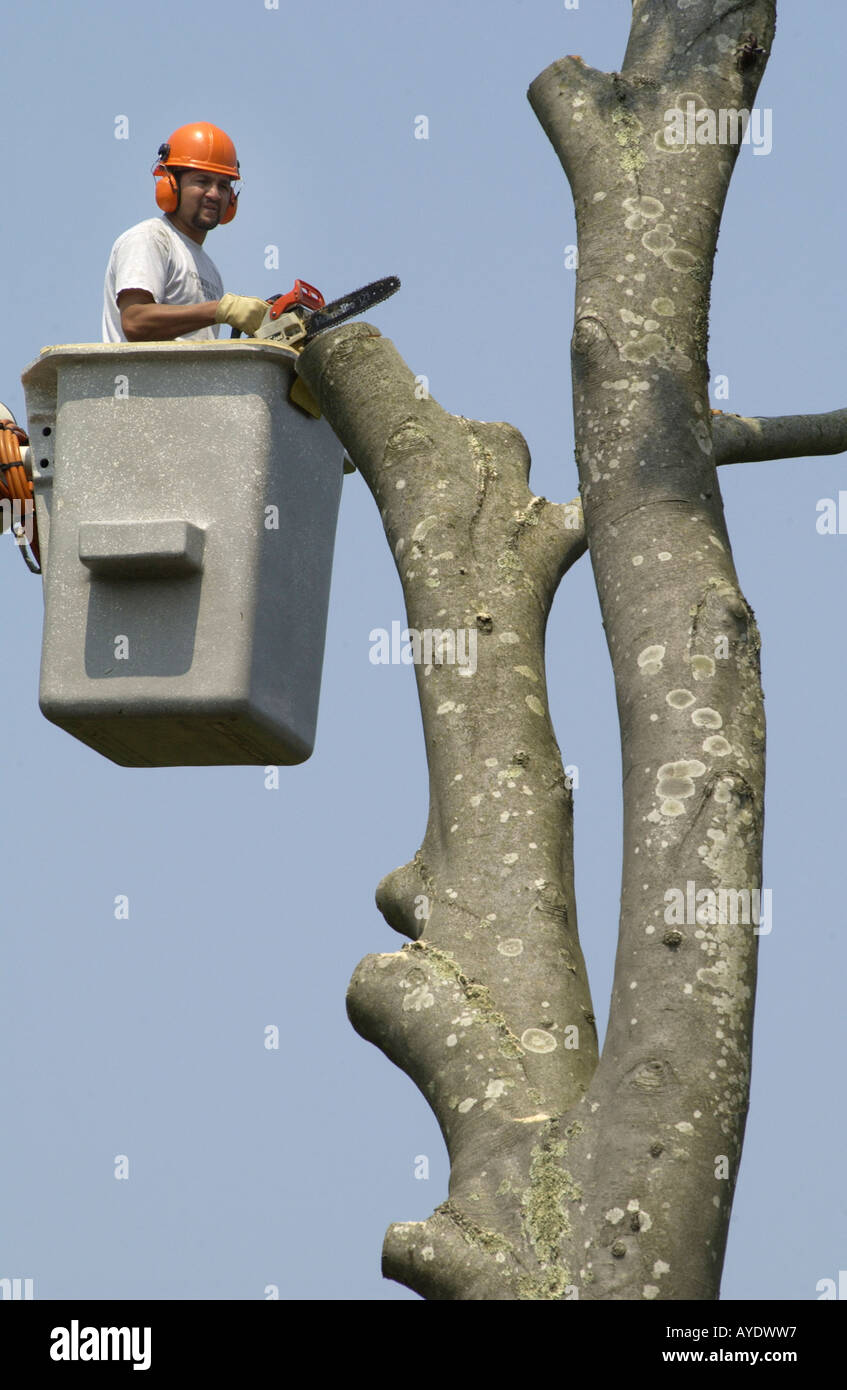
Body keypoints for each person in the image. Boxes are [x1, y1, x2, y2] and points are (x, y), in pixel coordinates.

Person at [102, 122, 268, 344]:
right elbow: (135, 322)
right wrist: (220, 310)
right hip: (140, 379)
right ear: (171, 184)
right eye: (202, 181)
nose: (214, 194)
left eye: (223, 186)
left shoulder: (210, 270)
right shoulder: (150, 238)